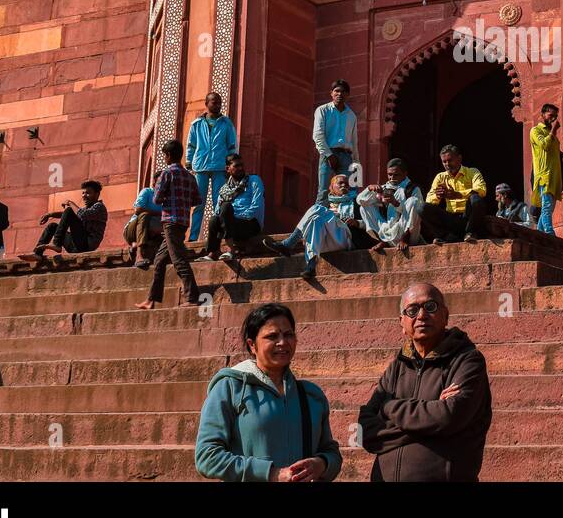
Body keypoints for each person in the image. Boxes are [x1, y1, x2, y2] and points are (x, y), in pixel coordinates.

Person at [358, 282, 492, 482]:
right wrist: (430, 418)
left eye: (430, 307)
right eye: (412, 310)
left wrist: (388, 407)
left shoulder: (467, 360)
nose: (421, 315)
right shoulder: (397, 367)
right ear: (402, 322)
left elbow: (448, 417)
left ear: (445, 315)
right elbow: (365, 432)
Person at [195, 303, 342, 482]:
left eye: (288, 334)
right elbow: (207, 457)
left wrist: (321, 464)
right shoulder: (229, 387)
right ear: (252, 345)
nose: (282, 342)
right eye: (272, 336)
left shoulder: (312, 395)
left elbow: (331, 452)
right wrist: (272, 474)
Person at [263, 174, 370, 280]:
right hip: (326, 241)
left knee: (316, 208)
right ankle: (311, 265)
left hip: (345, 238)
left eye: (346, 184)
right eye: (340, 183)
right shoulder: (326, 205)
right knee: (315, 220)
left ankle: (289, 243)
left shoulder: (356, 203)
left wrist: (357, 222)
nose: (344, 185)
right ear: (331, 187)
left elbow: (369, 224)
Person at [137, 139, 202, 310]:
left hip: (170, 221)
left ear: (168, 155)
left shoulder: (167, 174)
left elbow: (157, 198)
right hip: (183, 222)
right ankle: (151, 299)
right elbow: (197, 200)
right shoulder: (190, 176)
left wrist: (168, 197)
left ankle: (192, 296)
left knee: (178, 259)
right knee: (159, 260)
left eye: (165, 155)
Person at [185, 92, 239, 242]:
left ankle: (217, 236)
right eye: (214, 102)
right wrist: (189, 162)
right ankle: (194, 237)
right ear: (206, 103)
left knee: (219, 202)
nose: (217, 105)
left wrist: (230, 166)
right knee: (198, 204)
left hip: (220, 167)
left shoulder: (226, 123)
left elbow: (232, 146)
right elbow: (191, 145)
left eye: (219, 102)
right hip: (200, 166)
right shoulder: (196, 124)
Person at [197, 152, 265, 262]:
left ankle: (230, 249)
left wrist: (234, 217)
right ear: (228, 169)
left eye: (242, 165)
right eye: (236, 166)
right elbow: (217, 213)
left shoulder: (254, 181)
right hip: (230, 225)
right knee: (214, 219)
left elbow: (257, 207)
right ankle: (212, 252)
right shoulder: (224, 189)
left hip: (250, 224)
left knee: (226, 207)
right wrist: (228, 219)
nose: (241, 168)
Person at [23, 180, 107, 263]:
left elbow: (82, 215)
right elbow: (67, 214)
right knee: (52, 226)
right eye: (83, 193)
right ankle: (37, 253)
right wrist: (51, 214)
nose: (84, 196)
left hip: (86, 245)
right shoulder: (87, 209)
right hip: (75, 246)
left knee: (70, 210)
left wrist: (70, 203)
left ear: (97, 194)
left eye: (88, 193)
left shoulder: (99, 207)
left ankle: (56, 244)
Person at [422, 145, 489, 244]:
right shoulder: (440, 177)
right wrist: (438, 195)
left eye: (450, 160)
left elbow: (482, 190)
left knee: (476, 199)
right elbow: (429, 200)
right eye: (444, 162)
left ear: (459, 158)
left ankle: (470, 232)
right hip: (451, 218)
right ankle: (445, 236)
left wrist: (458, 195)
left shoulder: (472, 172)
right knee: (422, 207)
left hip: (469, 217)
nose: (447, 164)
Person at [357, 159, 424, 255]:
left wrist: (395, 203)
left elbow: (417, 212)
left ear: (405, 174)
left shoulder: (413, 189)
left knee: (413, 201)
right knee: (364, 207)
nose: (392, 178)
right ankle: (381, 241)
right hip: (387, 234)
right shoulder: (384, 188)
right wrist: (369, 188)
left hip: (407, 234)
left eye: (396, 175)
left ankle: (404, 238)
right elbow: (360, 200)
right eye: (390, 175)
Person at [312, 79, 358, 203]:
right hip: (328, 154)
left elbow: (354, 141)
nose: (339, 94)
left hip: (346, 156)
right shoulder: (323, 110)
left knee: (348, 193)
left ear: (348, 95)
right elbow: (317, 135)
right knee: (324, 193)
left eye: (343, 92)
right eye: (336, 91)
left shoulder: (351, 115)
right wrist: (329, 155)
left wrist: (355, 163)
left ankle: (345, 221)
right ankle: (319, 221)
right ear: (331, 93)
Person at [529, 104, 563, 235]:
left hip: (554, 177)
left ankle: (539, 233)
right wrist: (553, 130)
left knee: (549, 209)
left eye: (555, 116)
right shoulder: (535, 131)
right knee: (546, 207)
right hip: (545, 176)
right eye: (551, 115)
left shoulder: (550, 134)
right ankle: (549, 233)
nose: (553, 119)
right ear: (542, 114)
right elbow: (544, 145)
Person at [125, 185, 164, 270]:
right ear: (154, 183)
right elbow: (138, 210)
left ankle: (135, 246)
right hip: (132, 231)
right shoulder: (147, 192)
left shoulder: (166, 199)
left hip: (151, 233)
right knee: (145, 215)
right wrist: (160, 214)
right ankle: (139, 255)